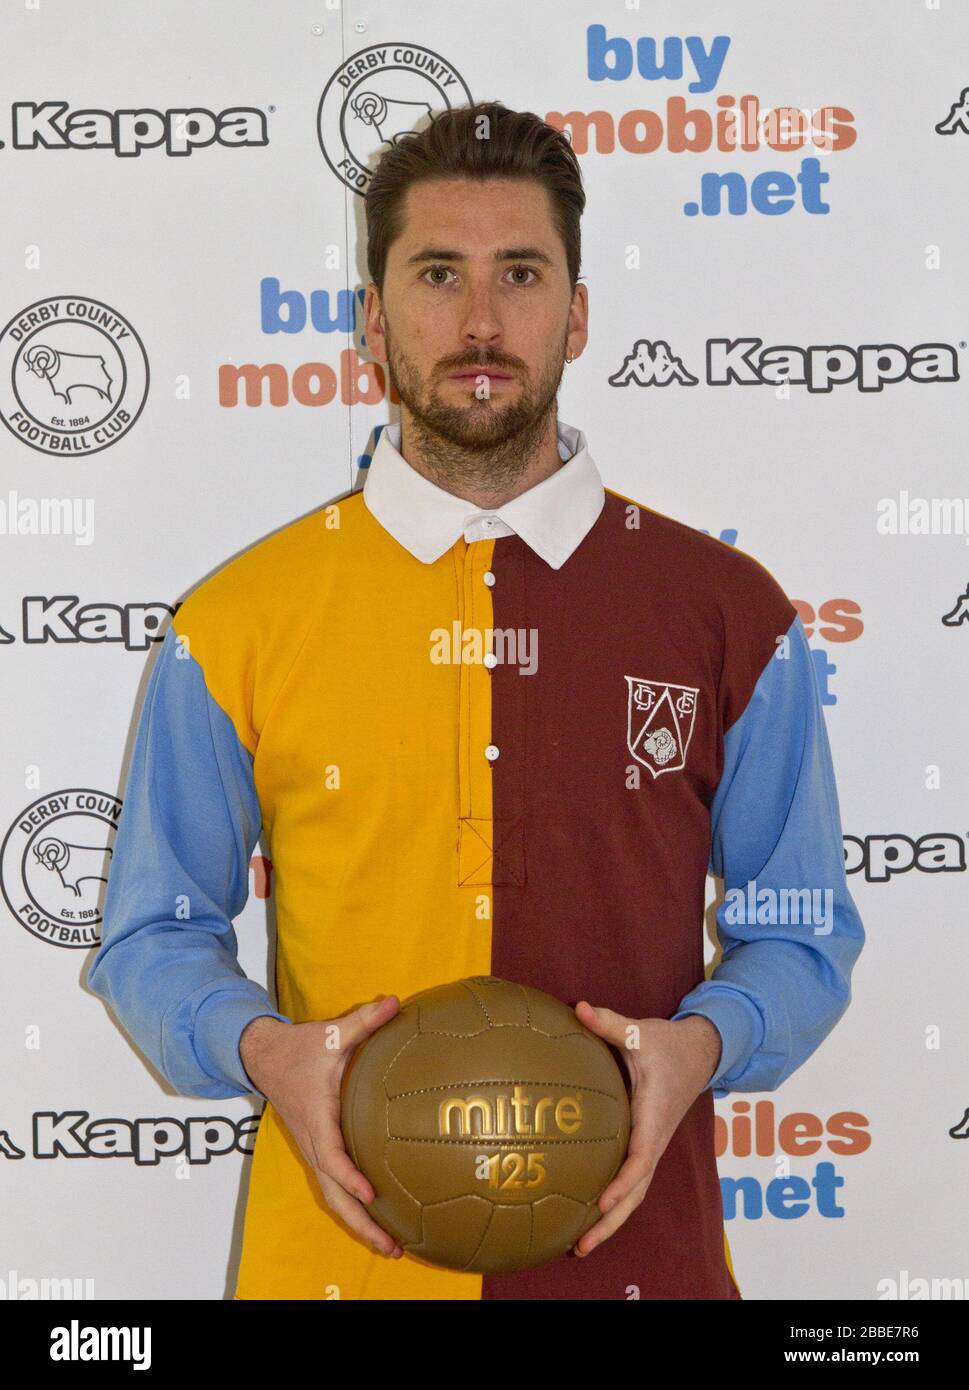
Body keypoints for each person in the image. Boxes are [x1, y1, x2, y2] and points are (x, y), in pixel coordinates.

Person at [86, 100, 865, 1300]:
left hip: (639, 1266)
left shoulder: (728, 612)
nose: (483, 321)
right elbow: (152, 935)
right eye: (438, 274)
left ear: (580, 312)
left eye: (522, 272)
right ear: (371, 321)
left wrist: (700, 1046)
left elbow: (804, 935)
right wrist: (264, 1051)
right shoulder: (237, 622)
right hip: (335, 1274)